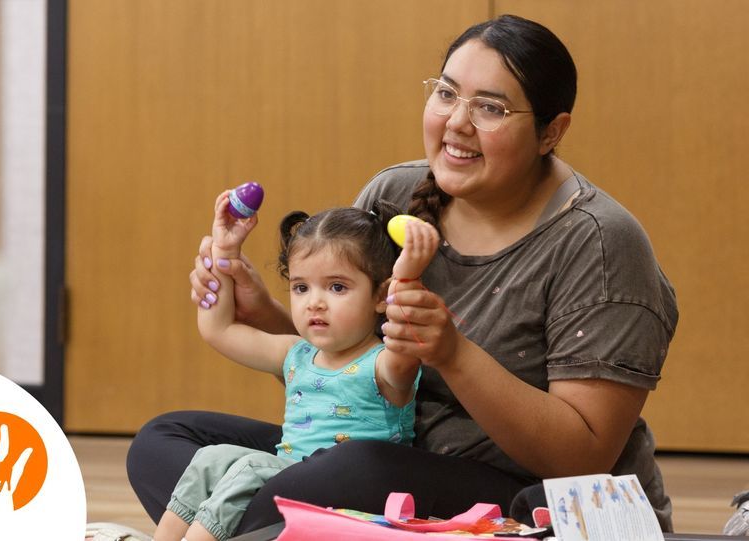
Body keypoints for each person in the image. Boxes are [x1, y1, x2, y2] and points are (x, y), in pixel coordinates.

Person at [128, 13, 678, 535]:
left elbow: (579, 456)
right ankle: (285, 529)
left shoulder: (600, 243)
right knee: (168, 439)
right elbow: (344, 379)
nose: (456, 122)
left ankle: (254, 529)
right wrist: (265, 313)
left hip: (528, 499)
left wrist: (453, 354)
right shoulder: (394, 196)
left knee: (355, 472)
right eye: (445, 93)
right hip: (377, 455)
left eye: (490, 108)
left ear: (551, 132)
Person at [152, 190, 437, 541]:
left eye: (336, 287)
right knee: (212, 457)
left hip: (355, 498)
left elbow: (407, 346)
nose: (315, 303)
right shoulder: (296, 354)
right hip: (288, 480)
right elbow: (219, 329)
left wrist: (408, 276)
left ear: (381, 296)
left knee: (249, 467)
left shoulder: (382, 364)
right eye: (301, 287)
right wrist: (225, 252)